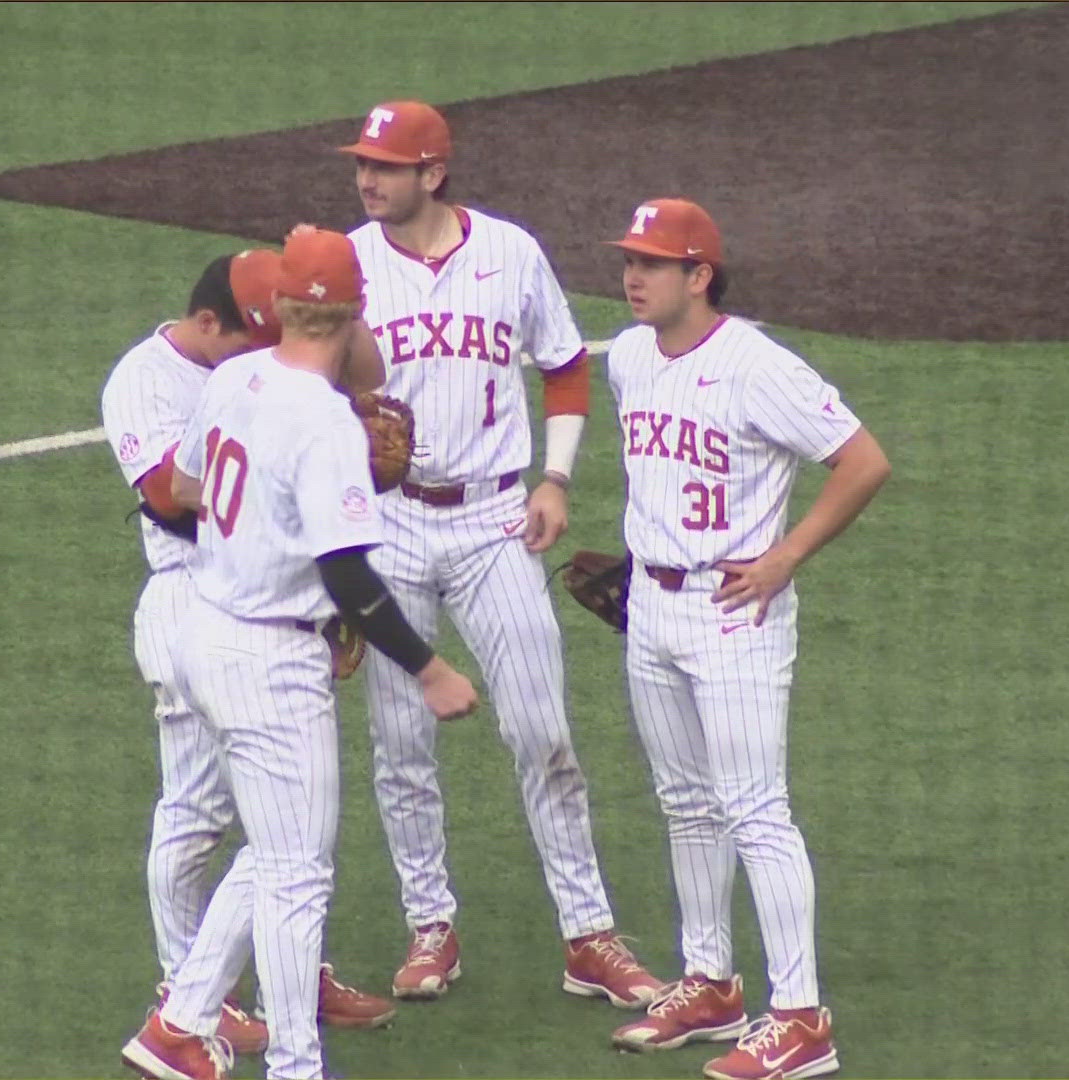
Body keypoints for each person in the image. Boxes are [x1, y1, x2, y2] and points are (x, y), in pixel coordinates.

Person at [119, 226, 480, 1080]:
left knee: (278, 850)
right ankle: (294, 1065)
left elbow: (190, 489)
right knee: (297, 877)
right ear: (354, 312)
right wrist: (429, 669)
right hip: (272, 662)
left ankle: (180, 1025)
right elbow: (348, 570)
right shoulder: (324, 423)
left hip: (205, 629)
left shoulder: (236, 375)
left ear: (280, 306)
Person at [334, 100, 665, 1008]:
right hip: (388, 527)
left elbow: (562, 364)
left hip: (491, 525)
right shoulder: (346, 264)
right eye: (362, 164)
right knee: (401, 742)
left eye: (386, 166)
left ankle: (588, 935)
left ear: (433, 173)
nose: (367, 179)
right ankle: (428, 925)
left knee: (542, 731)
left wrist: (554, 480)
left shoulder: (511, 252)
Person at [596, 198, 889, 1080]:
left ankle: (801, 1018)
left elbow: (863, 460)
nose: (632, 277)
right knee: (685, 801)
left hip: (736, 612)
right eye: (629, 261)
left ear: (700, 276)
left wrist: (786, 556)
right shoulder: (629, 359)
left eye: (652, 264)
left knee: (756, 810)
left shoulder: (758, 366)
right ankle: (710, 980)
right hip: (651, 608)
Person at [100, 249, 395, 1061]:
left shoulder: (247, 377)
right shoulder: (146, 379)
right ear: (206, 324)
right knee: (199, 814)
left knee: (278, 837)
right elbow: (167, 498)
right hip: (198, 604)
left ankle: (233, 995)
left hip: (249, 597)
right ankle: (188, 994)